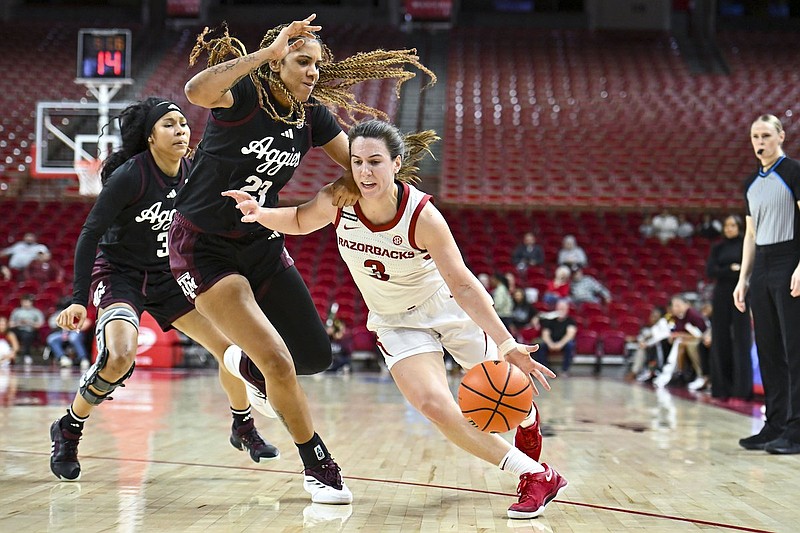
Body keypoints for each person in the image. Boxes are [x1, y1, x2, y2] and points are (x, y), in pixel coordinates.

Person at [223, 119, 567, 519]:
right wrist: (259, 213)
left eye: (375, 162)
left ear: (396, 164)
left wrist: (508, 344)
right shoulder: (339, 198)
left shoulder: (423, 215)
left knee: (500, 384)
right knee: (433, 404)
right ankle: (537, 475)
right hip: (395, 320)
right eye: (356, 162)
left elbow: (464, 284)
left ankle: (527, 417)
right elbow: (300, 220)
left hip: (445, 307)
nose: (365, 172)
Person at [169, 15, 435, 504]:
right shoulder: (243, 97)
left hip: (261, 240)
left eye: (317, 63)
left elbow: (356, 167)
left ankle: (240, 365)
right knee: (276, 360)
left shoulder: (312, 118)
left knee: (314, 356)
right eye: (301, 61)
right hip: (203, 245)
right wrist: (264, 55)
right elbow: (196, 89)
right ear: (278, 63)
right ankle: (318, 465)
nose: (313, 71)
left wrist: (353, 188)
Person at [49, 97, 278, 484]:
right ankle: (69, 428)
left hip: (169, 275)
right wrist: (77, 299)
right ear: (151, 136)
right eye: (169, 124)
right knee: (119, 358)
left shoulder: (193, 172)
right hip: (120, 273)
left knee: (232, 349)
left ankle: (242, 425)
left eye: (184, 124)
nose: (181, 130)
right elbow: (89, 234)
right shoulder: (132, 175)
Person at [734, 114, 800, 454]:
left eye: (765, 135)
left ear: (780, 137)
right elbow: (751, 233)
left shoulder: (794, 173)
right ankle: (773, 424)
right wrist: (743, 278)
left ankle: (796, 429)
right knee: (770, 351)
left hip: (790, 261)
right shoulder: (749, 183)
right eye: (754, 135)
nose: (759, 141)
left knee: (794, 350)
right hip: (762, 265)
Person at [706, 215, 753, 400]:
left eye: (732, 225)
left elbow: (749, 267)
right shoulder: (718, 247)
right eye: (726, 225)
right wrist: (730, 269)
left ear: (739, 227)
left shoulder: (745, 243)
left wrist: (735, 271)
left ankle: (742, 389)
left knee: (742, 339)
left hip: (742, 292)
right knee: (721, 339)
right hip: (721, 295)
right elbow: (711, 271)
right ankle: (721, 388)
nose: (729, 228)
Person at [536, 299, 578, 375]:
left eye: (563, 308)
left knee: (570, 345)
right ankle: (545, 370)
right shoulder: (550, 321)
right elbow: (545, 333)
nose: (561, 310)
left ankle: (564, 370)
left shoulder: (570, 321)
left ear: (567, 309)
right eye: (559, 308)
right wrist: (550, 344)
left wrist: (560, 344)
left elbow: (570, 335)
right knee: (540, 346)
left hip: (563, 342)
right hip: (551, 342)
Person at [45, 299, 90, 370]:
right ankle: (63, 358)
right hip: (64, 332)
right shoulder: (64, 312)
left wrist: (72, 327)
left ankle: (83, 358)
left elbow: (86, 324)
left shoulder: (82, 310)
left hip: (77, 331)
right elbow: (57, 324)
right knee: (51, 338)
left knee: (73, 338)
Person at [9, 294, 44, 364]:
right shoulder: (16, 311)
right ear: (21, 302)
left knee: (27, 336)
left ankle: (26, 355)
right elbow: (10, 324)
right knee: (10, 333)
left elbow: (40, 325)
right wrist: (18, 323)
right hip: (18, 329)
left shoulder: (36, 312)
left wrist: (29, 322)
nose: (26, 303)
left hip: (30, 330)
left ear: (31, 302)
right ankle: (11, 353)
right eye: (24, 301)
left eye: (27, 301)